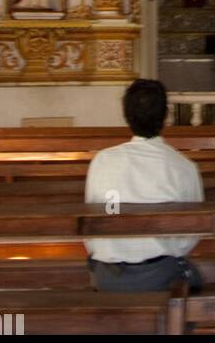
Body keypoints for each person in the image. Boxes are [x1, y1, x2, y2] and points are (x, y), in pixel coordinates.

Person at [84, 79, 204, 291]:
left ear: (126, 115)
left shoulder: (103, 161)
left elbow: (90, 226)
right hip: (162, 278)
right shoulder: (183, 167)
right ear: (166, 116)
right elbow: (190, 235)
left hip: (109, 278)